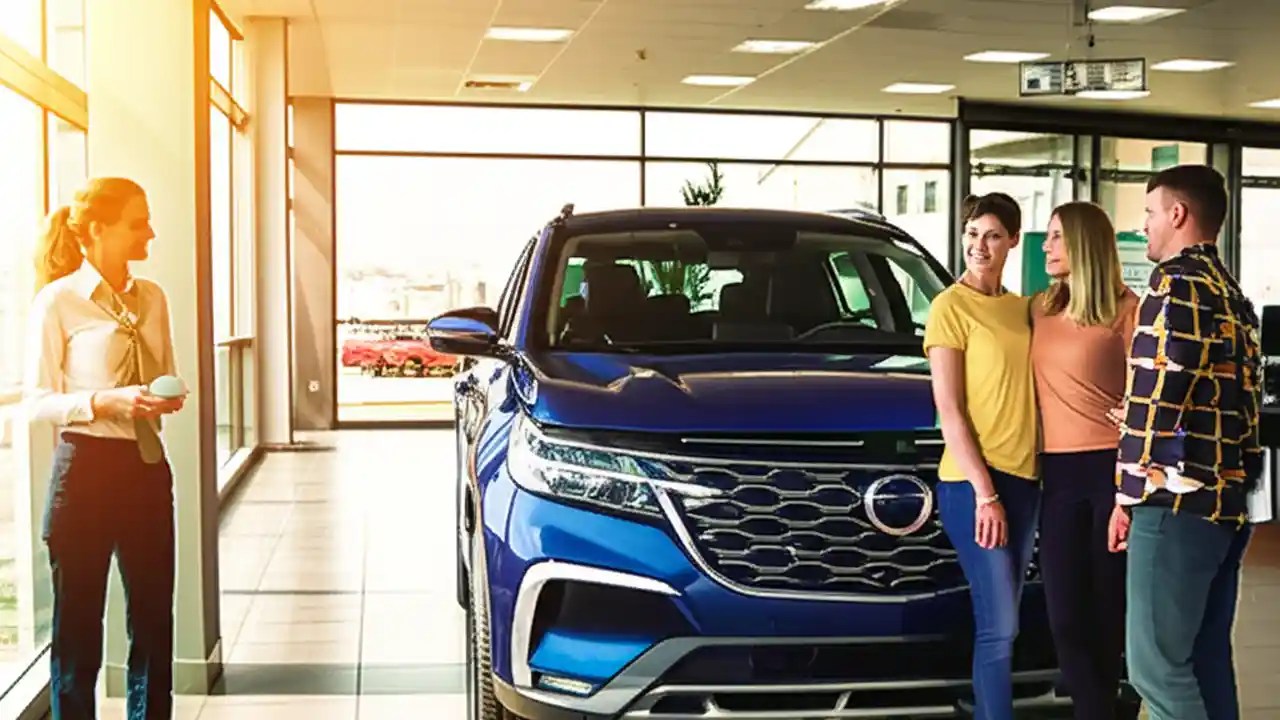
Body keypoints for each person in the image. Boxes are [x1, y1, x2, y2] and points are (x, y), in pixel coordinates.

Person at [24, 177, 187, 719]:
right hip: (84, 471)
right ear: (98, 230)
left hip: (144, 468)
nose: (151, 233)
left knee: (153, 619)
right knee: (77, 628)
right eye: (138, 223)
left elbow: (166, 373)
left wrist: (165, 397)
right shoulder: (58, 302)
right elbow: (36, 401)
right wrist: (105, 402)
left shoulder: (153, 298)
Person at [1108, 164, 1262, 720]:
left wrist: (1126, 494)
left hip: (1173, 502)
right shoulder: (1229, 290)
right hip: (1225, 504)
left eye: (1149, 213)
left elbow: (1157, 398)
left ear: (1177, 214)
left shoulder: (1175, 283)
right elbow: (1230, 403)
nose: (1143, 225)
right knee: (1203, 661)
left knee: (1156, 669)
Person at [924, 192, 1040, 720]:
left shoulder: (1024, 309)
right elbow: (950, 411)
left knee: (1007, 618)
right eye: (972, 234)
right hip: (974, 486)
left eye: (992, 235)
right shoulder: (950, 306)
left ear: (1013, 240)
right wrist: (985, 494)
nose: (979, 245)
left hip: (1026, 482)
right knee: (1000, 625)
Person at [1029, 202, 1139, 720]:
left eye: (1055, 237)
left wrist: (1134, 415)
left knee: (1108, 615)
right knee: (1065, 617)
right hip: (1058, 474)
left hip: (1111, 473)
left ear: (1082, 244)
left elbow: (1158, 391)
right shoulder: (1039, 308)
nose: (1046, 246)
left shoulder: (1127, 308)